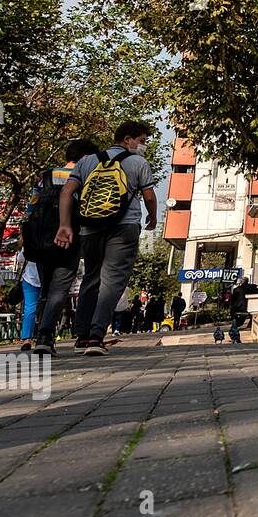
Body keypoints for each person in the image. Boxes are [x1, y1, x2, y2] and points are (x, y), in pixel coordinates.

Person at [53, 121, 157, 357]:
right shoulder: (138, 162)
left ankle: (81, 335)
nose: (143, 146)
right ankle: (96, 335)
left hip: (90, 227)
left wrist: (65, 225)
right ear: (128, 139)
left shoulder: (87, 161)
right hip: (124, 227)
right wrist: (152, 217)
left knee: (91, 277)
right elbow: (149, 196)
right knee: (113, 280)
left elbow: (67, 192)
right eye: (141, 141)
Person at [32, 139, 100, 357]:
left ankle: (41, 336)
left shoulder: (46, 175)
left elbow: (31, 207)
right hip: (69, 238)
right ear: (85, 158)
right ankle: (45, 336)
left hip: (40, 240)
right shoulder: (86, 177)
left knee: (45, 289)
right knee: (59, 289)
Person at [14, 245, 42, 351]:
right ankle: (44, 337)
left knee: (30, 309)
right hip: (47, 278)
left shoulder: (30, 241)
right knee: (47, 308)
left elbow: (20, 258)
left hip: (30, 278)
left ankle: (27, 340)